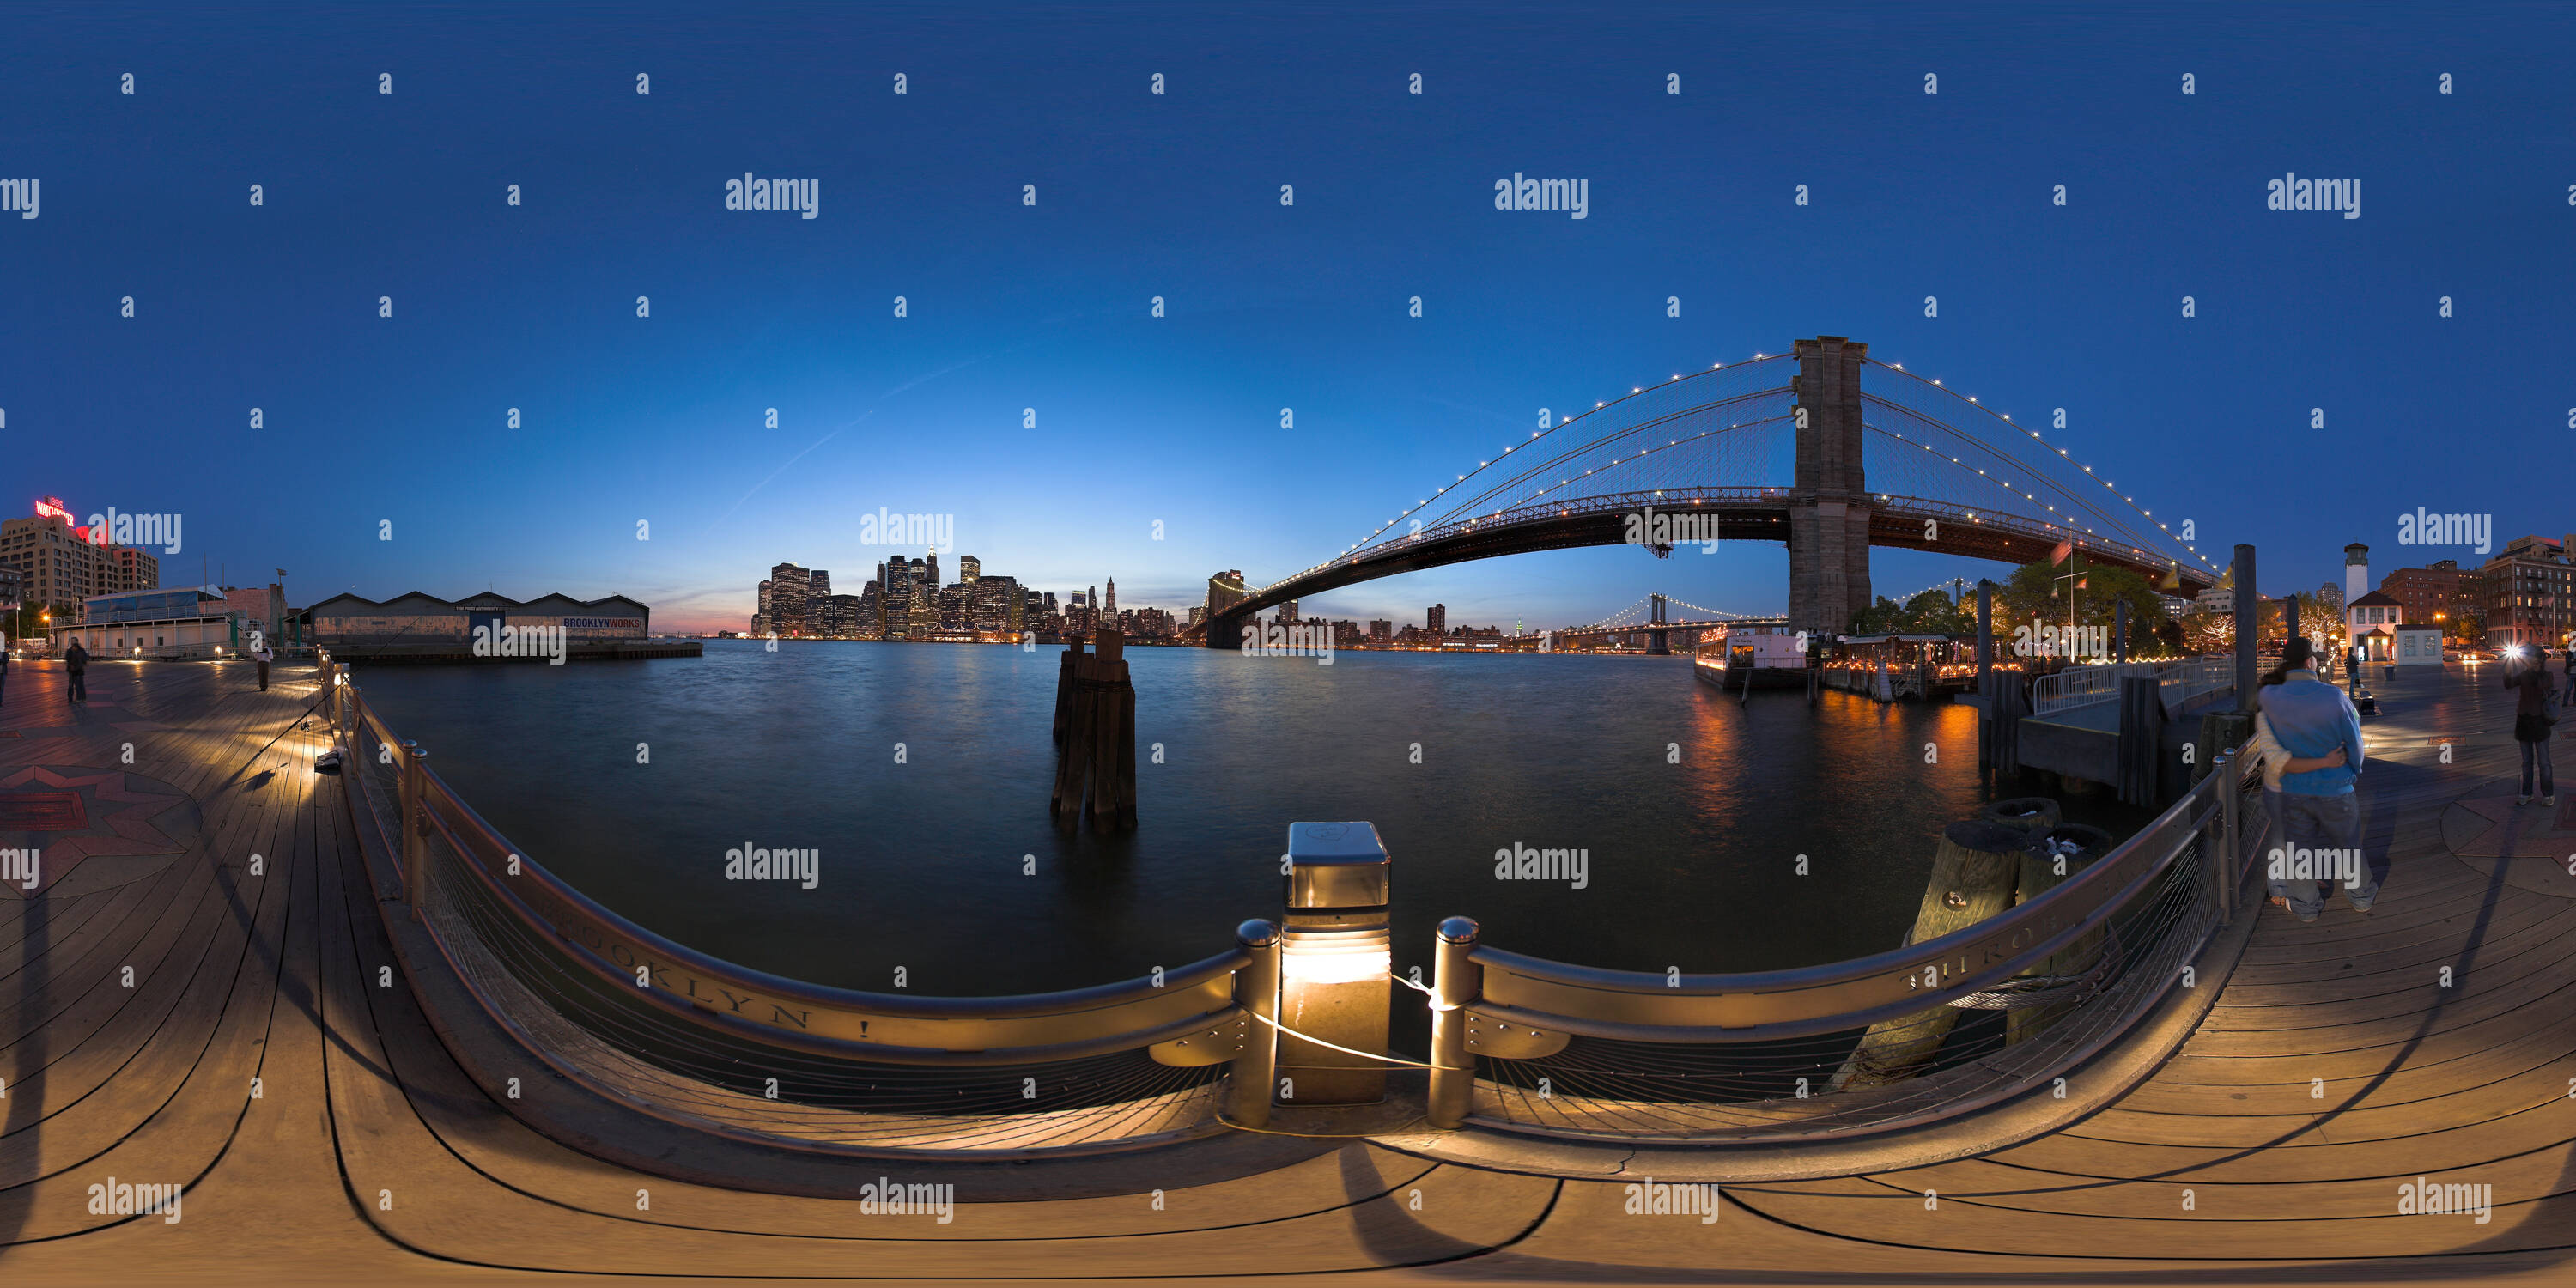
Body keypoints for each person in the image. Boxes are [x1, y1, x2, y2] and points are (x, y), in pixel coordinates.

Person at [2257, 636, 2375, 921]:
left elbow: (2276, 759)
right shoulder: (2334, 697)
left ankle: (2307, 907)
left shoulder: (2269, 704)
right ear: (2311, 662)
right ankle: (2361, 899)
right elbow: (2355, 740)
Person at [2506, 647, 2556, 806]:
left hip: (2540, 722)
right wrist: (2507, 666)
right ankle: (2527, 793)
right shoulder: (2524, 675)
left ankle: (2548, 794)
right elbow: (2509, 684)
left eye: (2530, 656)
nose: (2527, 658)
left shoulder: (2547, 676)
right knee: (2526, 762)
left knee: (2544, 762)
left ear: (2540, 660)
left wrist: (2531, 669)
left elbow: (2539, 685)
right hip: (2524, 721)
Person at [64, 638, 88, 702]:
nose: (72, 643)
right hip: (77, 670)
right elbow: (67, 658)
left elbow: (71, 659)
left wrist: (72, 664)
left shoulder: (76, 650)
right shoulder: (72, 650)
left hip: (75, 670)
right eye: (71, 641)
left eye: (73, 641)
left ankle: (79, 698)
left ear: (77, 642)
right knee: (76, 684)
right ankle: (78, 698)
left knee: (77, 684)